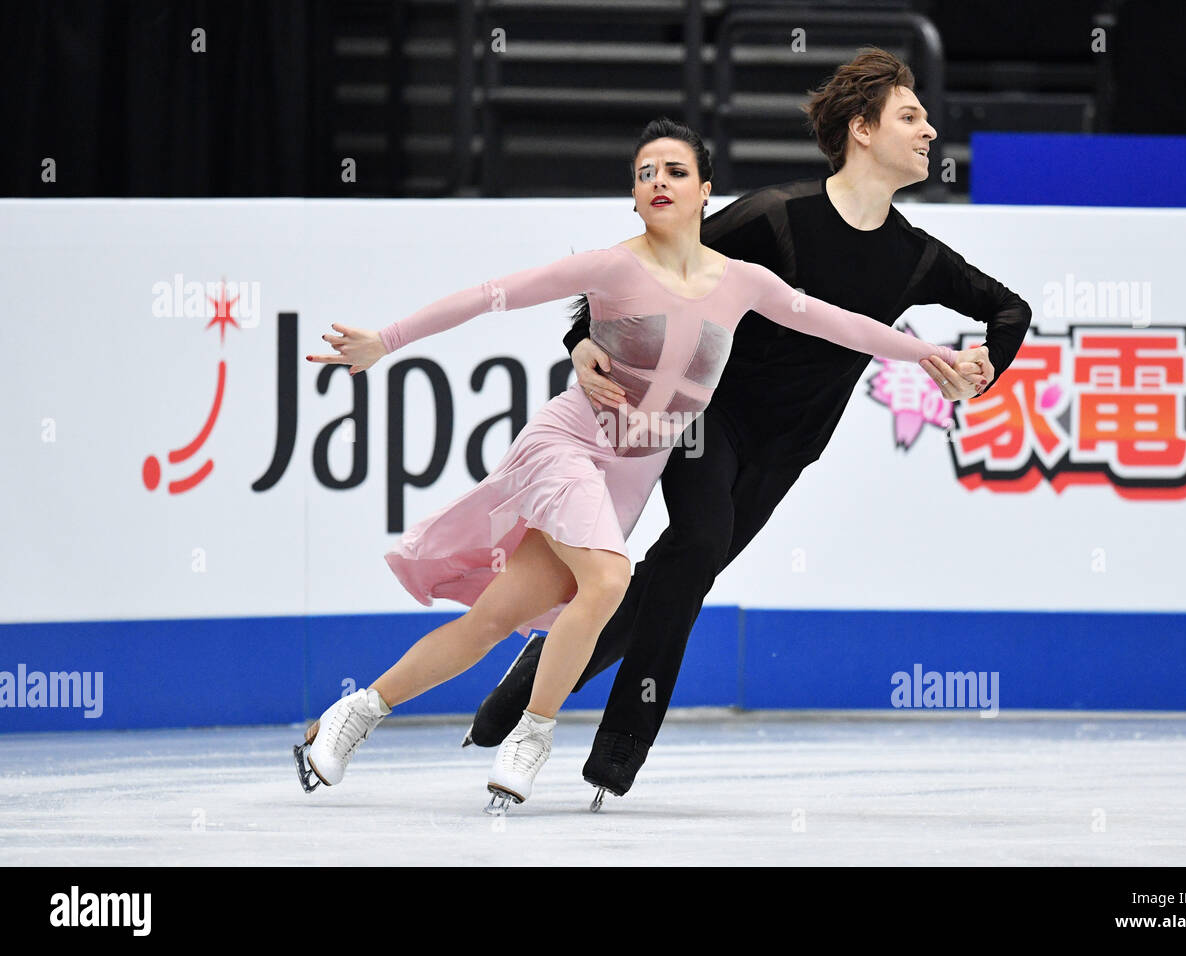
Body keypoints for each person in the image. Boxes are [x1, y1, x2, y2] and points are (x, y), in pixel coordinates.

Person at [293, 115, 992, 813]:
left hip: (625, 481)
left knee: (491, 623)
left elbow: (838, 322)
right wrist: (385, 340)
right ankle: (533, 736)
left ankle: (353, 717)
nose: (659, 181)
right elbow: (489, 295)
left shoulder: (743, 283)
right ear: (633, 196)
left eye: (675, 171)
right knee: (609, 578)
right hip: (569, 444)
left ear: (706, 191)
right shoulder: (611, 267)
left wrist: (934, 357)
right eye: (645, 173)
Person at [465, 48, 1032, 807]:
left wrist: (987, 363)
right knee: (695, 547)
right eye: (911, 116)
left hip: (789, 451)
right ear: (861, 130)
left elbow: (1010, 309)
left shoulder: (917, 258)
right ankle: (617, 756)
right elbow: (656, 264)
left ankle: (532, 679)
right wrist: (581, 338)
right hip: (708, 420)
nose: (931, 130)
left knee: (675, 578)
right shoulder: (775, 216)